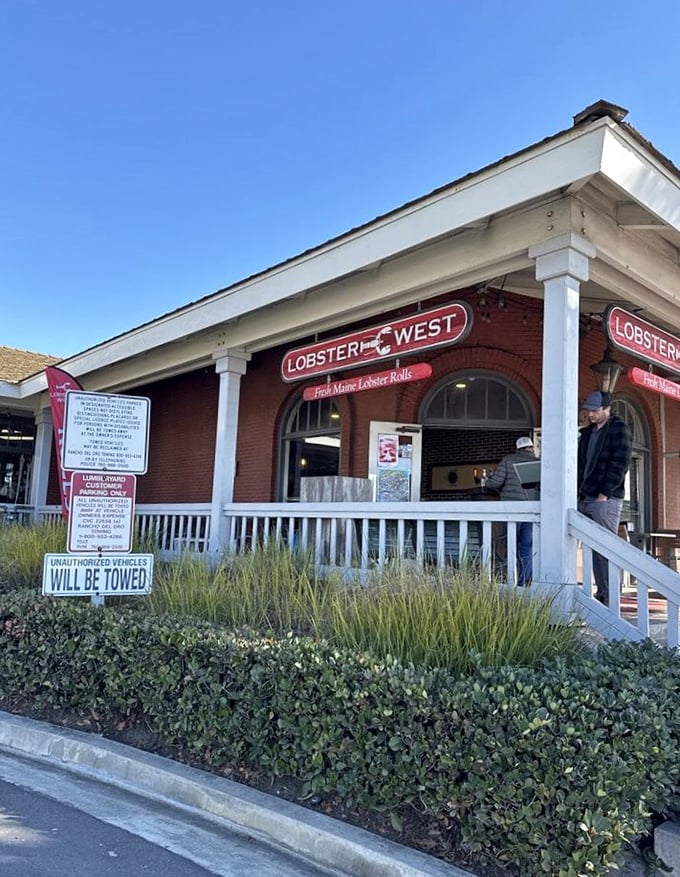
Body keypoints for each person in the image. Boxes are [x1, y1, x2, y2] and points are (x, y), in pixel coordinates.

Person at [577, 390, 632, 604]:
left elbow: (620, 464)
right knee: (591, 548)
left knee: (605, 549)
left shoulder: (619, 429)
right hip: (585, 496)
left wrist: (603, 494)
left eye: (594, 410)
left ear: (607, 408)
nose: (590, 414)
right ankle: (602, 593)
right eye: (588, 410)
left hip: (605, 499)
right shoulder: (587, 433)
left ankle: (610, 596)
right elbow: (582, 465)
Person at [485, 436, 537, 586]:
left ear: (517, 448)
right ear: (531, 447)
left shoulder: (508, 460)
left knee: (510, 545)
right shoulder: (537, 462)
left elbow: (496, 482)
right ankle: (525, 583)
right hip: (530, 511)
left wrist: (488, 482)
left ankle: (509, 580)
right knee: (526, 547)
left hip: (512, 510)